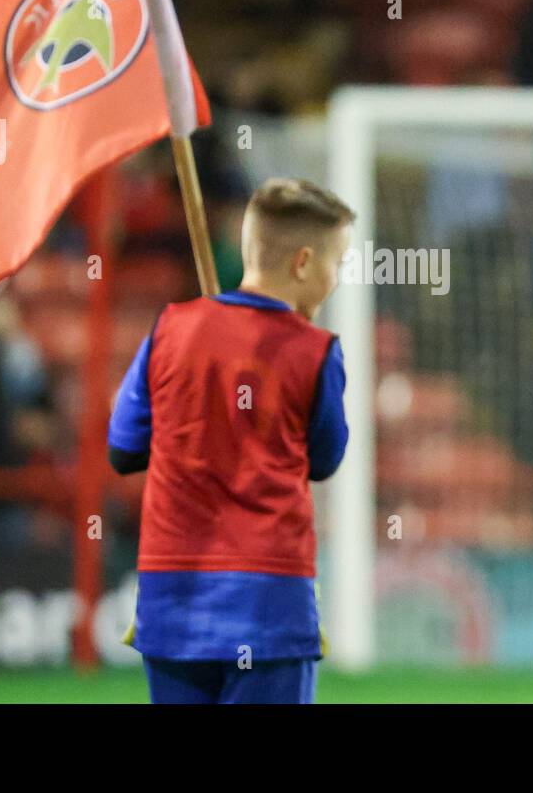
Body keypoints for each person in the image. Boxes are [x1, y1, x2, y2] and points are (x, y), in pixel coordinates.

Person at [108, 177, 353, 704]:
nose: (336, 280)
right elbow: (324, 459)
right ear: (303, 263)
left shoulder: (169, 328)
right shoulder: (315, 351)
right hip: (268, 603)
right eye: (337, 263)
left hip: (172, 601)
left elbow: (123, 449)